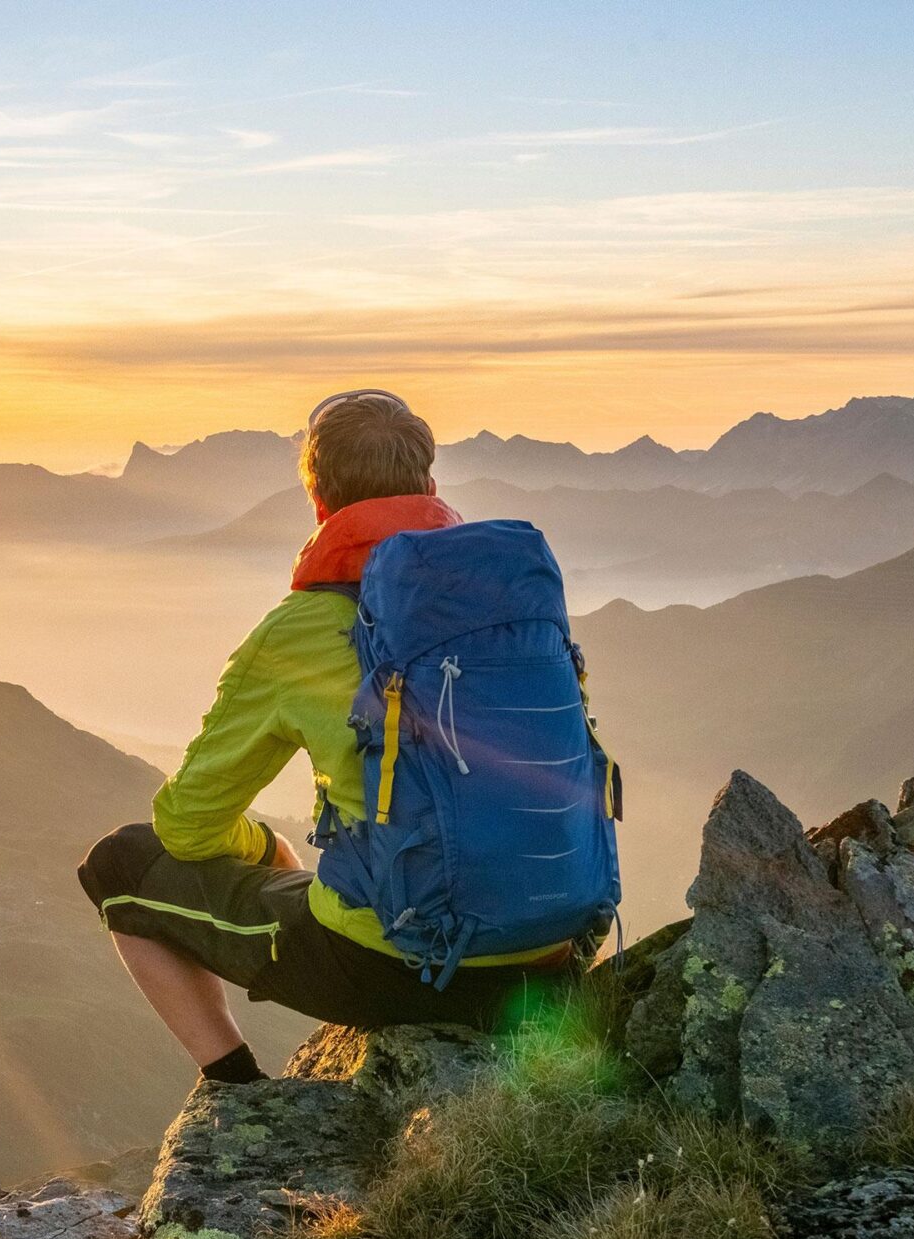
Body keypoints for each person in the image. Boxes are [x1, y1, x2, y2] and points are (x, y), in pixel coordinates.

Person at [77, 389, 587, 1086]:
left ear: (320, 505)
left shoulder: (299, 629)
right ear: (432, 488)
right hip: (554, 949)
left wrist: (263, 846)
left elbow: (187, 827)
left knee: (117, 866)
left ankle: (237, 1092)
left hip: (400, 969)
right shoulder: (516, 604)